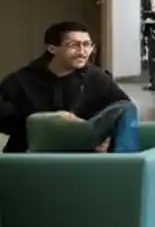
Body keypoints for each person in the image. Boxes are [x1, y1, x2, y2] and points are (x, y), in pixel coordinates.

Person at [0, 21, 132, 153]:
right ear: (52, 48)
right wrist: (44, 122)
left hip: (80, 156)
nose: (82, 52)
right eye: (74, 45)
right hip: (29, 154)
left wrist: (107, 137)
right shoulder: (20, 80)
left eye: (87, 45)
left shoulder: (97, 78)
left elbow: (123, 109)